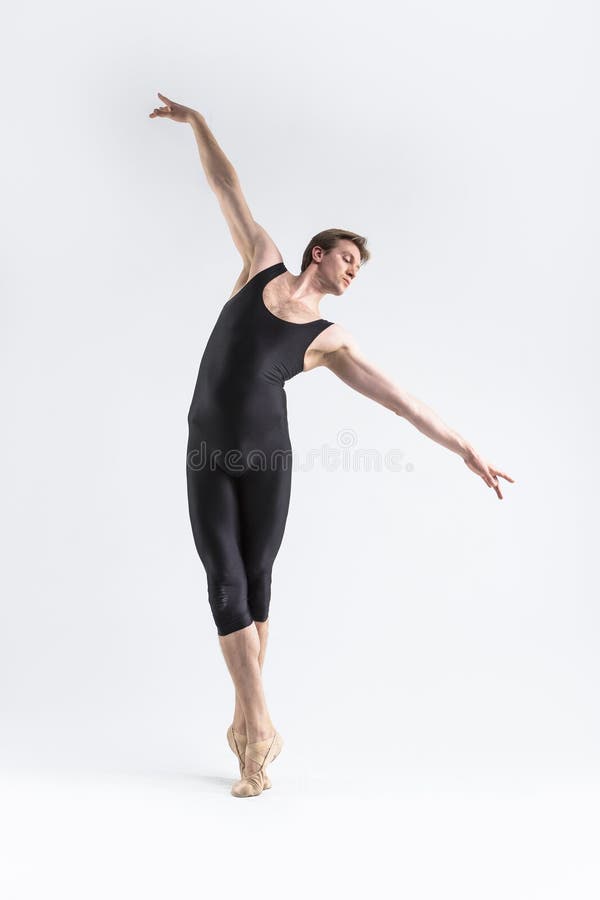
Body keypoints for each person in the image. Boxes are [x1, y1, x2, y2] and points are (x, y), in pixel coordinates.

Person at [149, 93, 515, 798]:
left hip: (268, 464)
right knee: (221, 583)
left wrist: (465, 447)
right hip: (206, 454)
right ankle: (257, 722)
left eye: (358, 268)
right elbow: (225, 184)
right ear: (318, 252)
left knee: (253, 588)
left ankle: (250, 737)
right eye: (348, 258)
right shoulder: (260, 262)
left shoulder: (330, 339)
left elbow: (404, 402)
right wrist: (199, 122)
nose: (353, 271)